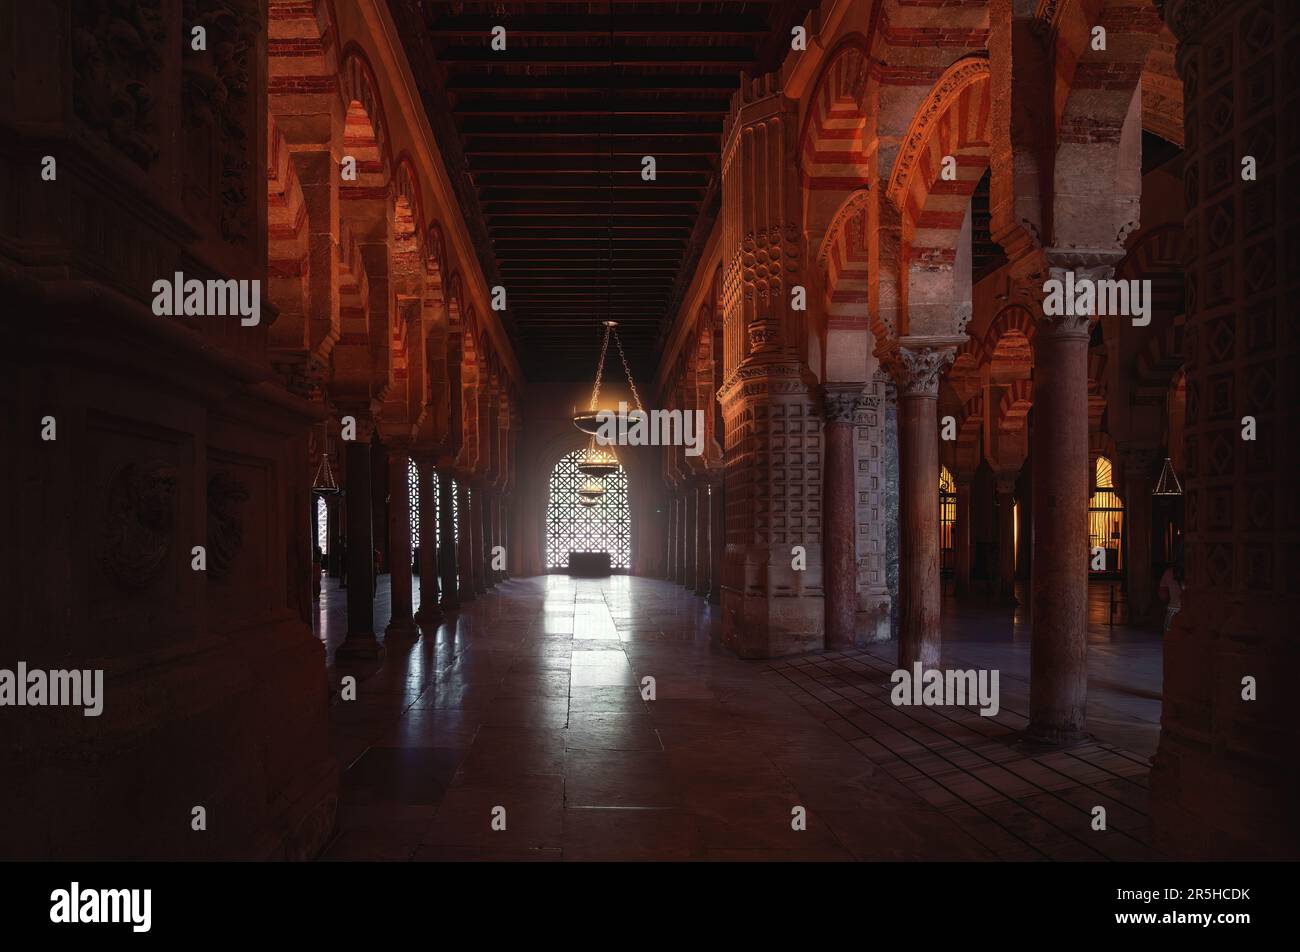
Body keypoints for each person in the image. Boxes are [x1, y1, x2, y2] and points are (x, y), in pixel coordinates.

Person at [1158, 556, 1183, 633]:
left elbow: (1163, 595)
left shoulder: (1168, 573)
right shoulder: (1196, 572)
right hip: (1190, 612)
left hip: (1173, 610)